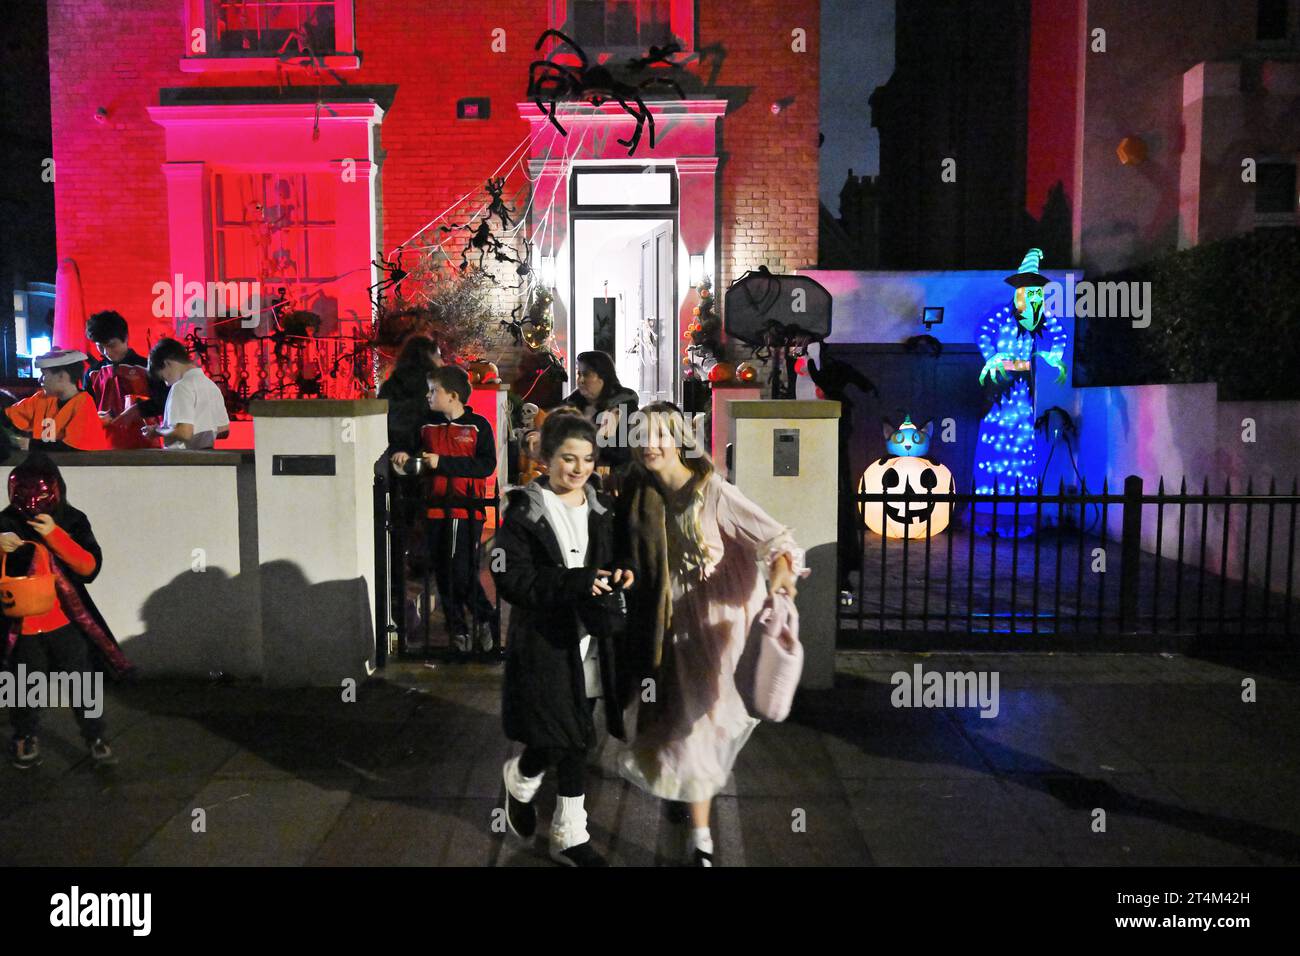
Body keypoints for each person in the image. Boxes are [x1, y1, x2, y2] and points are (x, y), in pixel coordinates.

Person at [616, 401, 807, 866]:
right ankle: (683, 796)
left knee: (697, 730)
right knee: (677, 720)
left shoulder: (713, 491)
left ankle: (700, 842)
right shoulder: (640, 492)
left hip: (718, 630)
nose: (650, 444)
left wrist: (783, 573)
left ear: (681, 440)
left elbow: (775, 538)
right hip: (670, 626)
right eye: (642, 434)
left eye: (661, 435)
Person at [493, 413, 634, 866]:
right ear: (546, 458)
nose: (578, 469)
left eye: (588, 459)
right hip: (547, 641)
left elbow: (614, 558)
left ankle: (522, 778)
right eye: (568, 458)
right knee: (572, 736)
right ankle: (571, 836)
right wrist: (575, 582)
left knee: (570, 735)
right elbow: (514, 581)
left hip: (593, 640)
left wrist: (622, 572)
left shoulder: (603, 509)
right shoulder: (523, 512)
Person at [2, 451, 135, 768]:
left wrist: (53, 534)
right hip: (21, 623)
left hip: (65, 621)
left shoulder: (72, 520)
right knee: (25, 685)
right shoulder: (6, 522)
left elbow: (88, 567)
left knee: (81, 681)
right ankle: (25, 736)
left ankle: (96, 736)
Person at [390, 365, 498, 659]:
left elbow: (485, 466)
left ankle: (485, 619)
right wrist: (402, 453)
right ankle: (459, 630)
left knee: (460, 573)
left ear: (452, 396)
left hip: (464, 511)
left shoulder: (478, 426)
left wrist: (443, 463)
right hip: (435, 510)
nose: (428, 396)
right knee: (443, 572)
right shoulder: (426, 425)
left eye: (433, 390)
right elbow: (407, 448)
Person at [83, 310, 168, 449]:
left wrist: (138, 409)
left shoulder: (147, 368)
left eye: (111, 345)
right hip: (103, 447)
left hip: (145, 447)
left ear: (126, 337)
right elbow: (85, 409)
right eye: (100, 347)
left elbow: (165, 402)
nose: (107, 352)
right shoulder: (92, 373)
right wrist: (95, 416)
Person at [3, 349, 111, 451]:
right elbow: (7, 417)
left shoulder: (84, 403)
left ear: (61, 376)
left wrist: (27, 444)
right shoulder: (41, 399)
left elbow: (73, 448)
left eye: (44, 374)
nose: (40, 379)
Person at [145, 338, 231, 450]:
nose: (167, 384)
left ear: (167, 363)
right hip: (207, 458)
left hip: (181, 461)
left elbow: (184, 432)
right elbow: (223, 430)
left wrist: (157, 430)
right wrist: (201, 429)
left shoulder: (181, 386)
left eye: (164, 377)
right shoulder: (212, 386)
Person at [563, 351, 639, 472]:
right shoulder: (569, 406)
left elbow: (624, 455)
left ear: (603, 377)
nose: (581, 380)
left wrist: (602, 439)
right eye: (579, 374)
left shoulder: (623, 408)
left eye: (586, 374)